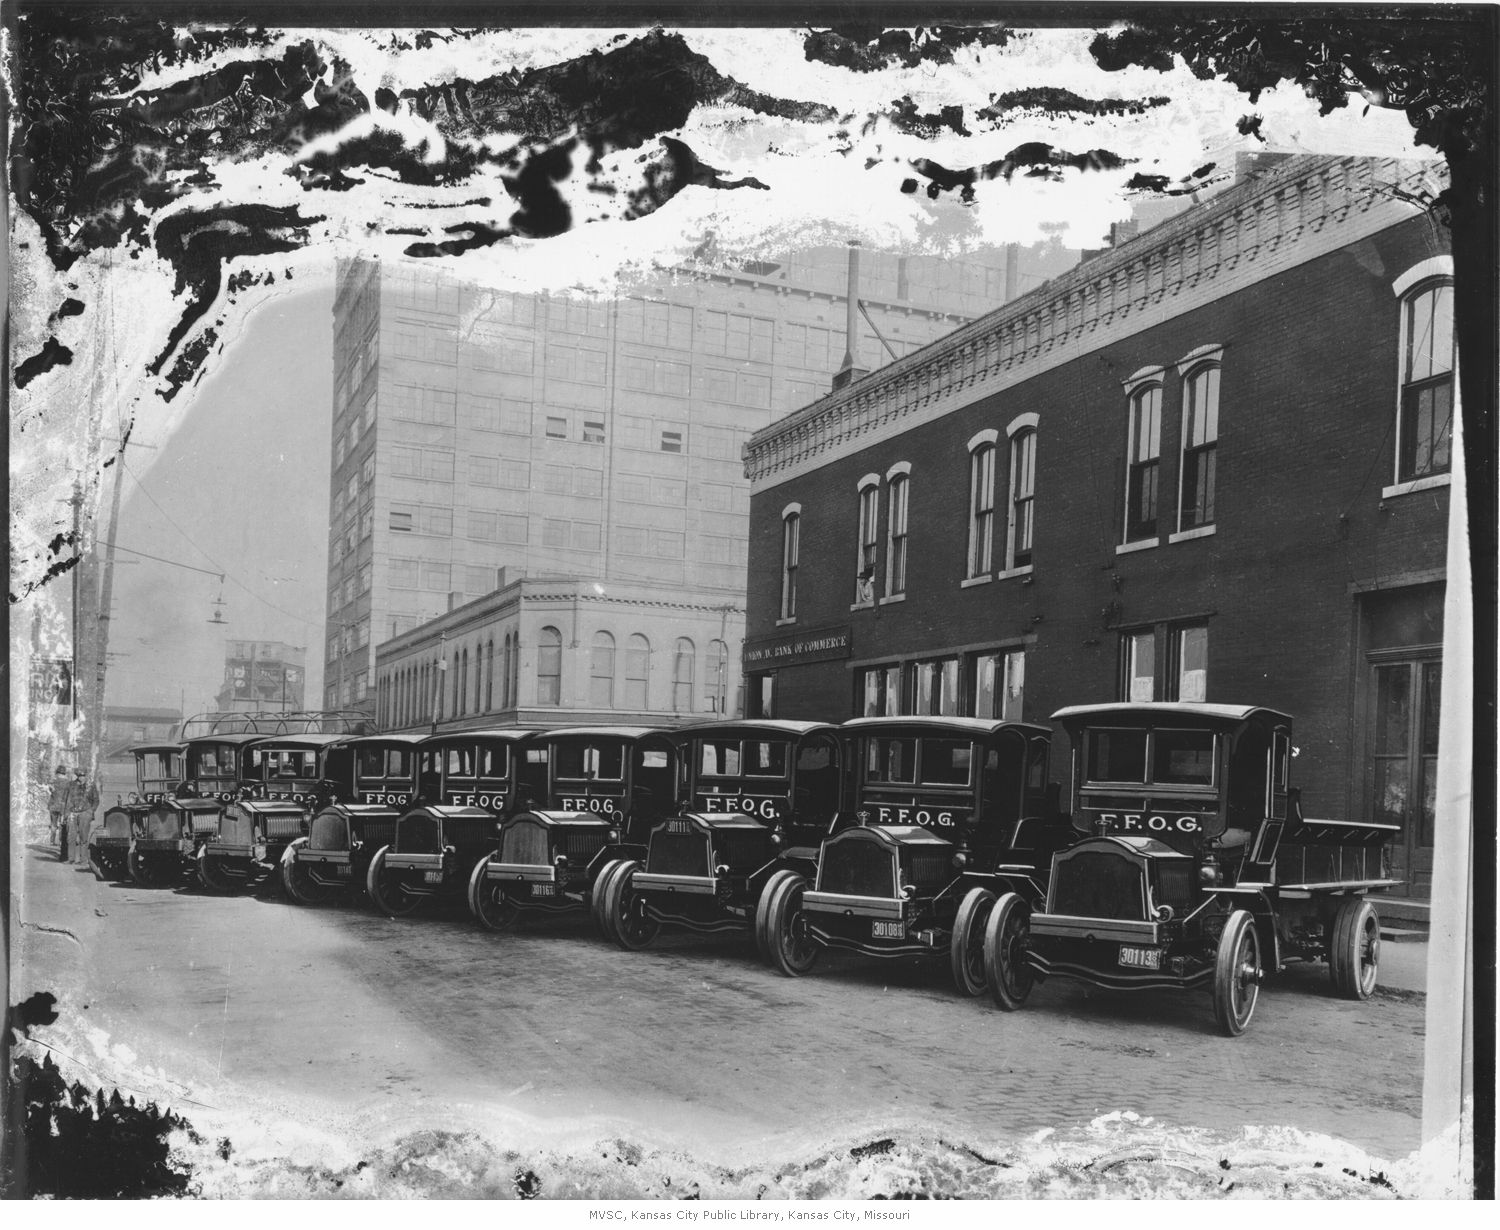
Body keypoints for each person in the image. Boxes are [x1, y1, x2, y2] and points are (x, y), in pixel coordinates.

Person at [67, 768, 99, 868]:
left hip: (85, 813)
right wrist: (67, 813)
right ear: (77, 776)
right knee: (71, 837)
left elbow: (96, 800)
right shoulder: (71, 785)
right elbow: (67, 800)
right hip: (72, 813)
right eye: (80, 776)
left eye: (83, 775)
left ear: (86, 776)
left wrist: (91, 811)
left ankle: (83, 860)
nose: (81, 777)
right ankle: (71, 859)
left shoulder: (91, 785)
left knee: (83, 837)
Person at [48, 766, 69, 850]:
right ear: (64, 773)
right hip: (63, 806)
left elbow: (51, 790)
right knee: (62, 824)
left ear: (57, 772)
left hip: (53, 805)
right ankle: (61, 841)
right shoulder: (68, 782)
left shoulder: (53, 781)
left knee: (53, 824)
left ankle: (52, 841)